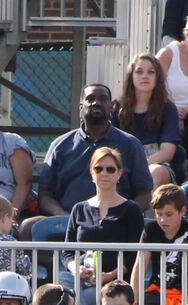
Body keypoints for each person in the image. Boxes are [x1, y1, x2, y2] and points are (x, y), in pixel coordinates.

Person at [36, 84, 154, 218]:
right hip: (66, 222)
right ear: (81, 107)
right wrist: (66, 218)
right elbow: (45, 195)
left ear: (111, 107)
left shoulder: (131, 144)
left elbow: (144, 194)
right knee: (28, 227)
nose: (96, 103)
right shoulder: (60, 146)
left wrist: (121, 216)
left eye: (103, 99)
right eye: (90, 98)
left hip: (118, 223)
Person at [64, 147, 146, 290]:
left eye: (110, 169)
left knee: (90, 298)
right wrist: (76, 268)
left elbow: (135, 255)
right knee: (61, 285)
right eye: (98, 169)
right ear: (91, 173)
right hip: (81, 279)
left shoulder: (131, 209)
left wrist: (110, 275)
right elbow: (67, 253)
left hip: (117, 282)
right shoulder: (78, 209)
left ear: (119, 173)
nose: (104, 173)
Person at [113, 55, 181, 189]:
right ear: (131, 76)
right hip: (123, 163)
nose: (145, 76)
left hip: (157, 163)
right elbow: (111, 147)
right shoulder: (116, 107)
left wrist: (140, 166)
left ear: (158, 78)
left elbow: (167, 152)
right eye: (139, 71)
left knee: (154, 172)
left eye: (151, 72)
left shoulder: (168, 108)